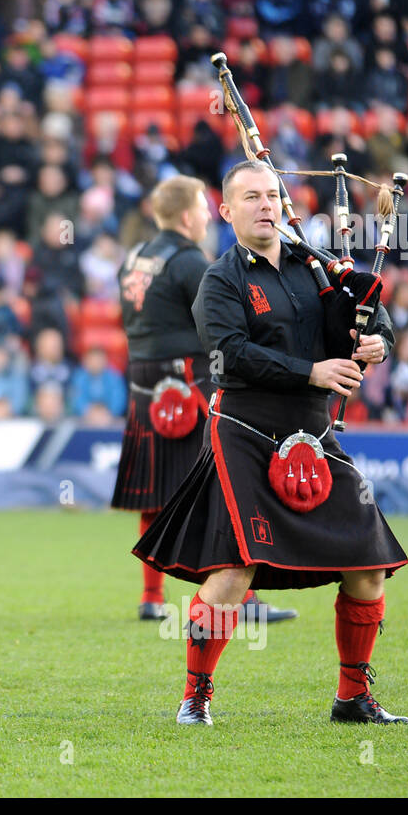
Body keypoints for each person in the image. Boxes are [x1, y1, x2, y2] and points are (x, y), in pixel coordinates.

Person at [134, 161, 408, 726]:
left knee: (369, 563)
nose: (265, 205)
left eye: (272, 196)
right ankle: (196, 696)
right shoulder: (220, 279)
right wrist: (312, 371)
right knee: (234, 570)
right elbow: (229, 353)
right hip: (246, 431)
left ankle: (352, 698)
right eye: (251, 197)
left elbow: (373, 312)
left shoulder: (318, 267)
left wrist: (378, 340)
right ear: (226, 211)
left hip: (315, 432)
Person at [113, 175, 297, 624]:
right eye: (202, 207)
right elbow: (220, 320)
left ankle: (151, 597)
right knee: (222, 490)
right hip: (190, 383)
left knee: (154, 493)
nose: (207, 216)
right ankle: (239, 597)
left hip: (145, 385)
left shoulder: (135, 256)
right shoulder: (191, 261)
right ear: (186, 215)